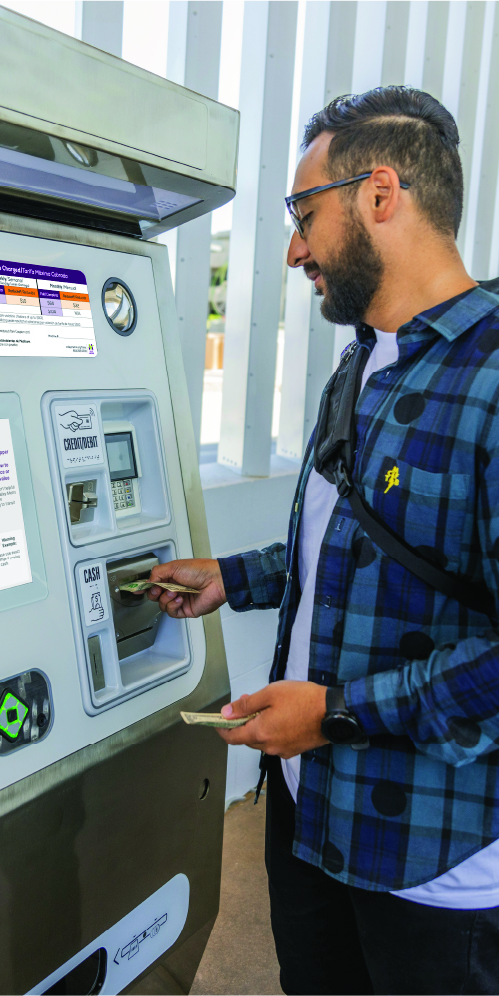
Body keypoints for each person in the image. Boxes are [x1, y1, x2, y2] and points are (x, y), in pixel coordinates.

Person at [149, 87, 499, 996]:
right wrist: (234, 577)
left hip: (435, 858)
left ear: (380, 194)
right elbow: (352, 546)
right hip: (310, 814)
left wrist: (336, 714)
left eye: (306, 214)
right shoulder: (363, 359)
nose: (296, 248)